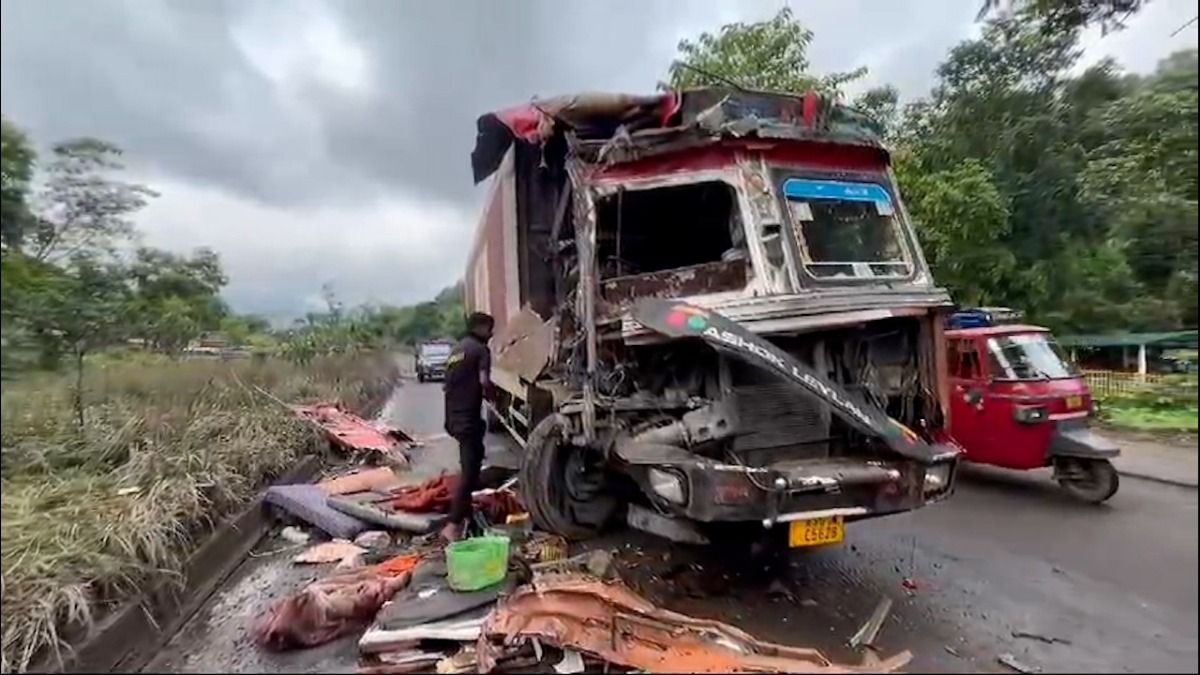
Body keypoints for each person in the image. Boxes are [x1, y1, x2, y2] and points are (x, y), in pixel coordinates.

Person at [439, 312, 496, 542]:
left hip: (452, 418)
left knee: (475, 458)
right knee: (470, 471)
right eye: (490, 329)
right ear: (481, 327)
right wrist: (494, 397)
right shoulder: (480, 350)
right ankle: (452, 525)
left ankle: (467, 513)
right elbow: (484, 381)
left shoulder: (456, 350)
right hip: (468, 419)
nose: (491, 334)